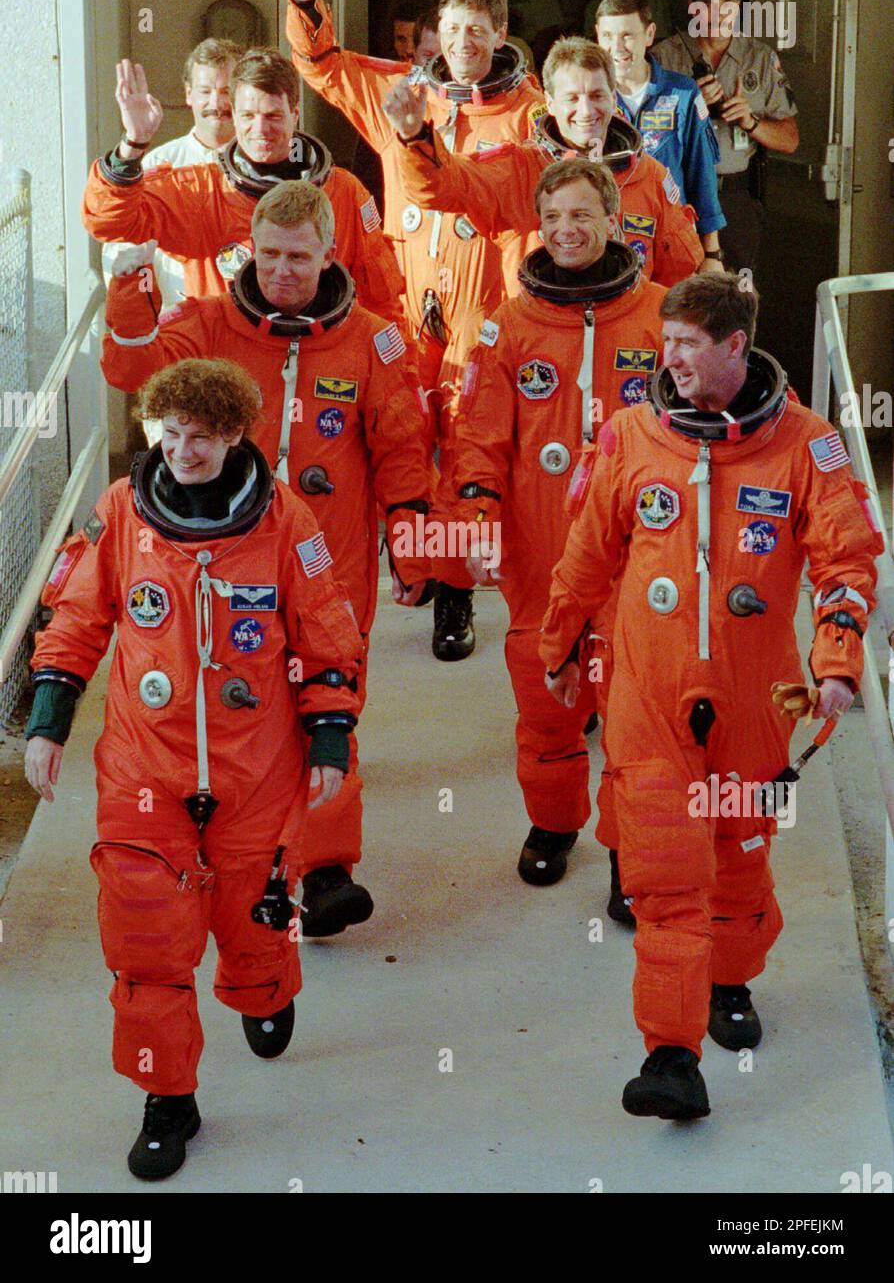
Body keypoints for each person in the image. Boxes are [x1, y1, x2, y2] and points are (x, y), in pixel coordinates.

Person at [539, 274, 881, 1120]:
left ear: (736, 347)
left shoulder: (809, 445)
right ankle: (669, 1052)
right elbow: (585, 553)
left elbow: (846, 560)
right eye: (667, 344)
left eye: (690, 345)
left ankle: (731, 980)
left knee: (737, 857)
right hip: (649, 696)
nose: (672, 359)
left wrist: (836, 659)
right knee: (662, 878)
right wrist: (557, 642)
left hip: (753, 702)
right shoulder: (628, 437)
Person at [23, 359, 364, 1178]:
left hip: (255, 767)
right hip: (147, 764)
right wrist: (48, 721)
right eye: (168, 434)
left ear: (237, 436)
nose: (180, 451)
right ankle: (167, 1097)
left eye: (201, 439)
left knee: (253, 908)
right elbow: (75, 621)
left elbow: (326, 633)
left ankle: (263, 986)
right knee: (145, 933)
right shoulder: (119, 516)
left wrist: (328, 739)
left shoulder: (290, 525)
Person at [100, 181, 432, 937]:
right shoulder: (209, 321)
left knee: (329, 706)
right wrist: (127, 289)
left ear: (329, 253)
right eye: (271, 255)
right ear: (252, 250)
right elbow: (134, 372)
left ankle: (326, 868)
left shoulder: (374, 339)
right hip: (219, 567)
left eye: (300, 258)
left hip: (330, 564)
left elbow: (403, 449)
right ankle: (250, 862)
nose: (284, 271)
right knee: (243, 717)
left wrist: (412, 547)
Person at [287, 0, 546, 662]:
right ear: (437, 29)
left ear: (501, 33)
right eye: (452, 27)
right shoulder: (406, 92)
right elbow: (324, 66)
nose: (463, 40)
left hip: (481, 307)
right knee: (400, 438)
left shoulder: (528, 113)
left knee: (465, 448)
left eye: (478, 29)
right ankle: (417, 564)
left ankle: (456, 597)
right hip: (404, 301)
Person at [438, 158, 666, 887]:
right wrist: (474, 518)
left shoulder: (663, 313)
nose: (567, 232)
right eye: (554, 218)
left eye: (582, 216)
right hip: (542, 550)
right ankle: (554, 821)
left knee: (639, 713)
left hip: (638, 553)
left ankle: (635, 848)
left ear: (611, 221)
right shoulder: (509, 326)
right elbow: (478, 436)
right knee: (545, 699)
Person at [383, 34, 705, 318]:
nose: (586, 111)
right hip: (538, 343)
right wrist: (415, 138)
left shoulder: (649, 177)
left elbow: (677, 279)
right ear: (549, 103)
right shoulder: (519, 170)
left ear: (613, 97)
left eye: (597, 95)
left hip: (622, 351)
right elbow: (445, 187)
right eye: (572, 98)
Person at [82, 48, 404, 323]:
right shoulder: (200, 192)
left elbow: (383, 304)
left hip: (317, 365)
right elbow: (109, 222)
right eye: (248, 115)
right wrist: (133, 146)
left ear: (295, 113)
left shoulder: (343, 192)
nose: (260, 129)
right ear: (233, 115)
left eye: (273, 116)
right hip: (225, 368)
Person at [653, 0, 799, 277]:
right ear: (692, 7)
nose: (719, 16)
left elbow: (791, 140)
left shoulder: (760, 58)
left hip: (735, 198)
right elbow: (645, 137)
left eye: (728, 6)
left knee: (739, 299)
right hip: (678, 198)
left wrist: (751, 122)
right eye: (709, 6)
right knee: (677, 297)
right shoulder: (663, 58)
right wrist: (691, 106)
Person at [102, 38, 242, 313]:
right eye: (205, 91)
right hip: (175, 320)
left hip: (247, 321)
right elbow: (122, 250)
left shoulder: (262, 163)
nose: (216, 102)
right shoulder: (157, 164)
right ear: (188, 94)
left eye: (226, 91)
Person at [594, 0, 725, 268]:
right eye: (608, 36)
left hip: (670, 244)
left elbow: (702, 175)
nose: (616, 47)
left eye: (627, 35)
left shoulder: (682, 94)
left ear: (650, 34)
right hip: (606, 247)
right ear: (597, 35)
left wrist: (712, 254)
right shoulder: (588, 98)